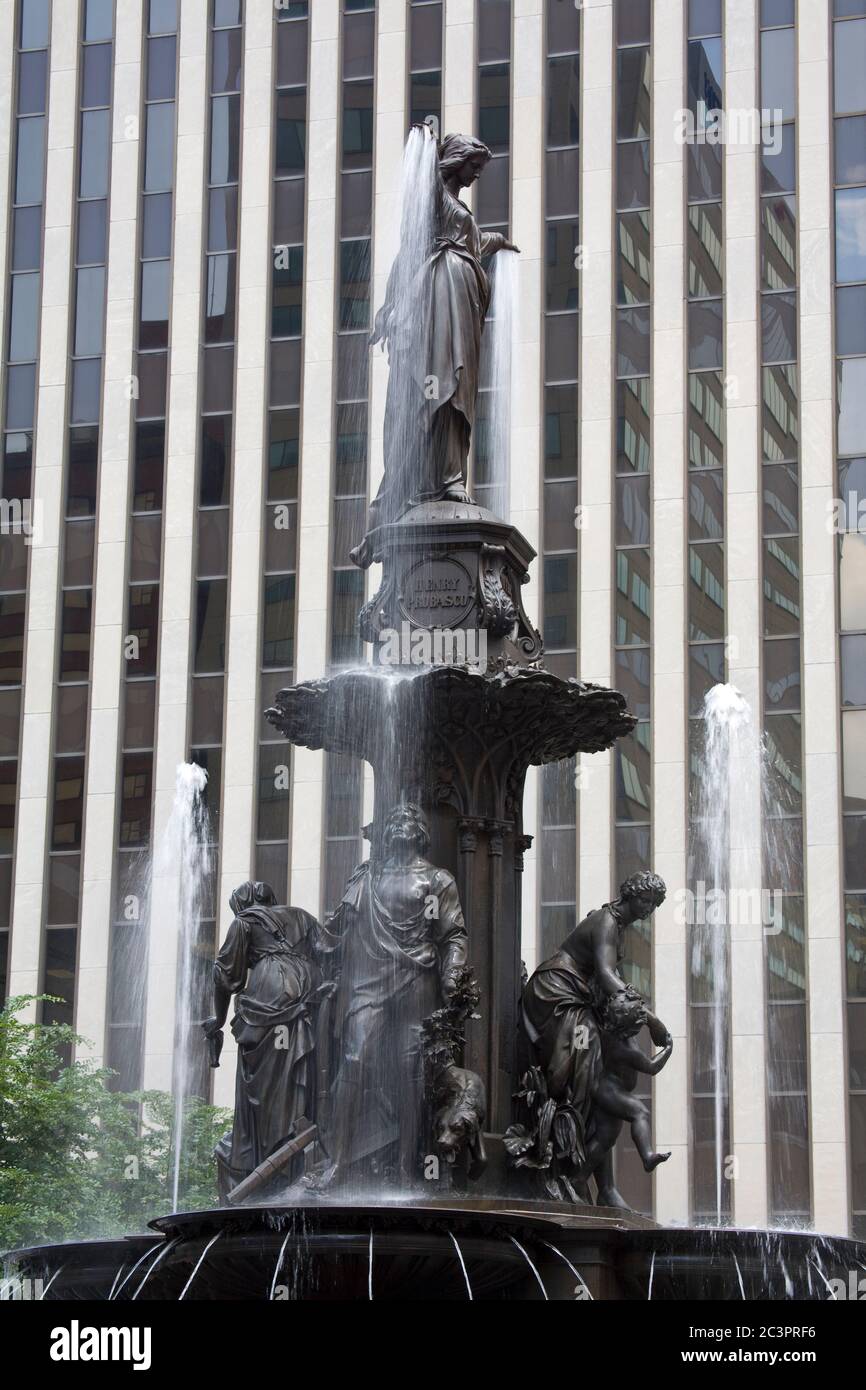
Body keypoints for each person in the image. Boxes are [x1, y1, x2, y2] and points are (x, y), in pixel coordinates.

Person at [351, 130, 519, 568]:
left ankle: (451, 477)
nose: (477, 174)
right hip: (439, 293)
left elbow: (469, 245)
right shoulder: (436, 199)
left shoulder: (457, 210)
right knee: (441, 382)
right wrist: (427, 145)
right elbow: (409, 251)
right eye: (473, 166)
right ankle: (440, 480)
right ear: (457, 162)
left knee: (459, 387)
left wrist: (494, 243)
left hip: (462, 298)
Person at [317, 803, 469, 1187]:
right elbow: (339, 928)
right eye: (395, 819)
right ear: (385, 833)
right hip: (367, 981)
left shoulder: (437, 880)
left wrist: (452, 974)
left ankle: (405, 1167)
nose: (403, 823)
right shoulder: (367, 875)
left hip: (416, 980)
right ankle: (336, 1163)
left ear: (422, 833)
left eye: (411, 819)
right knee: (355, 1058)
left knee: (410, 1072)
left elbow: (453, 934)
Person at [520, 871, 670, 1207]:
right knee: (585, 1077)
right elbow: (604, 973)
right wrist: (650, 1018)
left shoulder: (617, 925)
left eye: (655, 904)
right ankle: (576, 1175)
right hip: (557, 991)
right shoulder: (605, 921)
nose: (648, 908)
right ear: (629, 893)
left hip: (580, 997)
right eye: (645, 900)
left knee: (594, 1082)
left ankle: (606, 1188)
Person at [203, 881, 328, 1198]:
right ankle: (296, 1156)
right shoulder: (301, 916)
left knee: (265, 1083)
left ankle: (270, 1162)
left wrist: (216, 1020)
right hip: (312, 991)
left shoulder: (244, 922)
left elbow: (225, 975)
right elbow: (332, 951)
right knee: (300, 1072)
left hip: (270, 993)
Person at [582, 990, 672, 1180]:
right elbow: (652, 1066)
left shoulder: (609, 1030)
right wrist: (669, 1049)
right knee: (640, 1112)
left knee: (604, 1139)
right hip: (609, 1090)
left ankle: (577, 1176)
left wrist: (628, 994)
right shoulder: (627, 1049)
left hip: (605, 1088)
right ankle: (647, 1156)